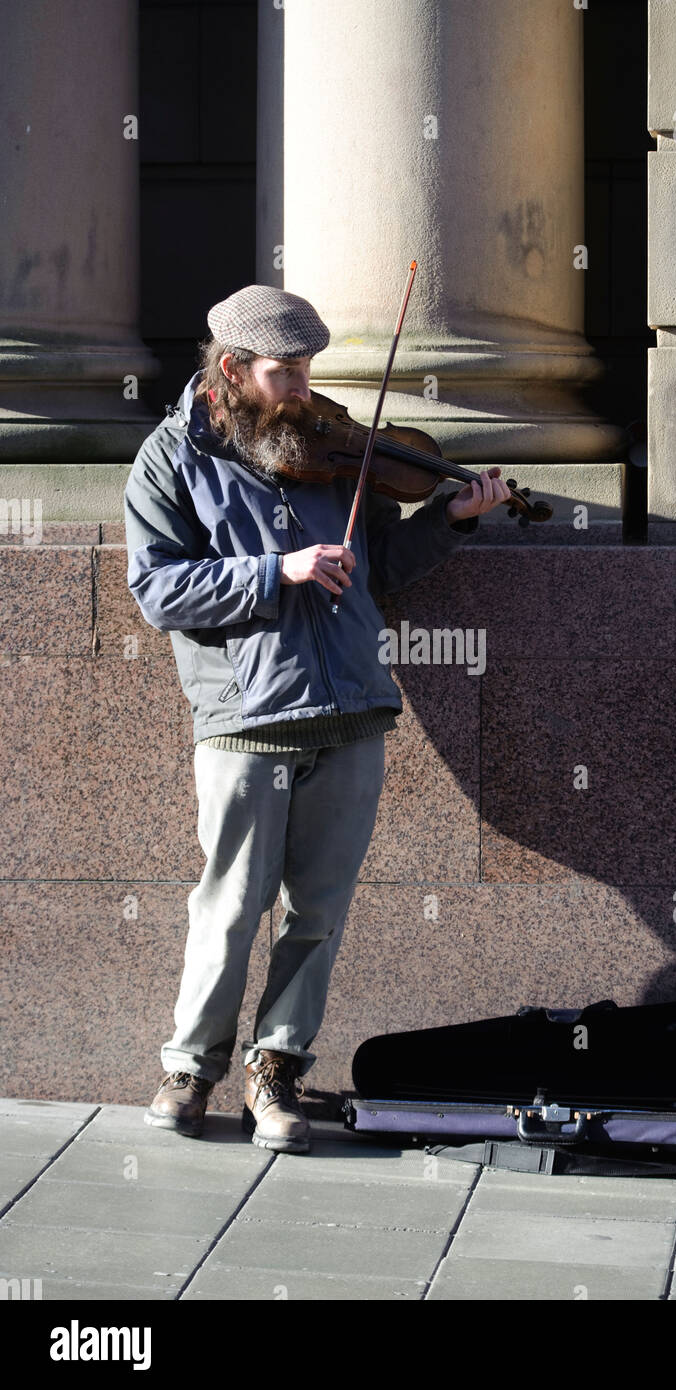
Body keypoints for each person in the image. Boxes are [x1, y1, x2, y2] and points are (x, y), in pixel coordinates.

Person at [123, 284, 509, 1153]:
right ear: (233, 371)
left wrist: (451, 520)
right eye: (284, 373)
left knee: (319, 912)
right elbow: (157, 591)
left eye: (307, 370)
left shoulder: (330, 446)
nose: (303, 389)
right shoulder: (169, 459)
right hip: (246, 714)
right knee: (229, 905)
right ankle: (190, 1067)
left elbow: (382, 569)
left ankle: (277, 1068)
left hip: (352, 713)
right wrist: (276, 571)